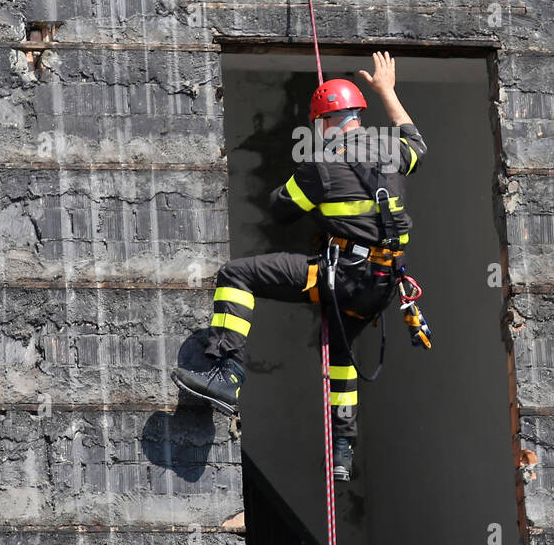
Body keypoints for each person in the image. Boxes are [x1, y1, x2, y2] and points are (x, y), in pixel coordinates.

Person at [171, 51, 426, 481]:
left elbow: (280, 208)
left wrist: (317, 180)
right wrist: (387, 90)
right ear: (358, 115)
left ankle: (225, 371)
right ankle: (343, 449)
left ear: (326, 122)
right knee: (343, 352)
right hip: (382, 284)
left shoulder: (322, 165)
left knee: (238, 275)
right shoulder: (393, 151)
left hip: (341, 277)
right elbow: (417, 143)